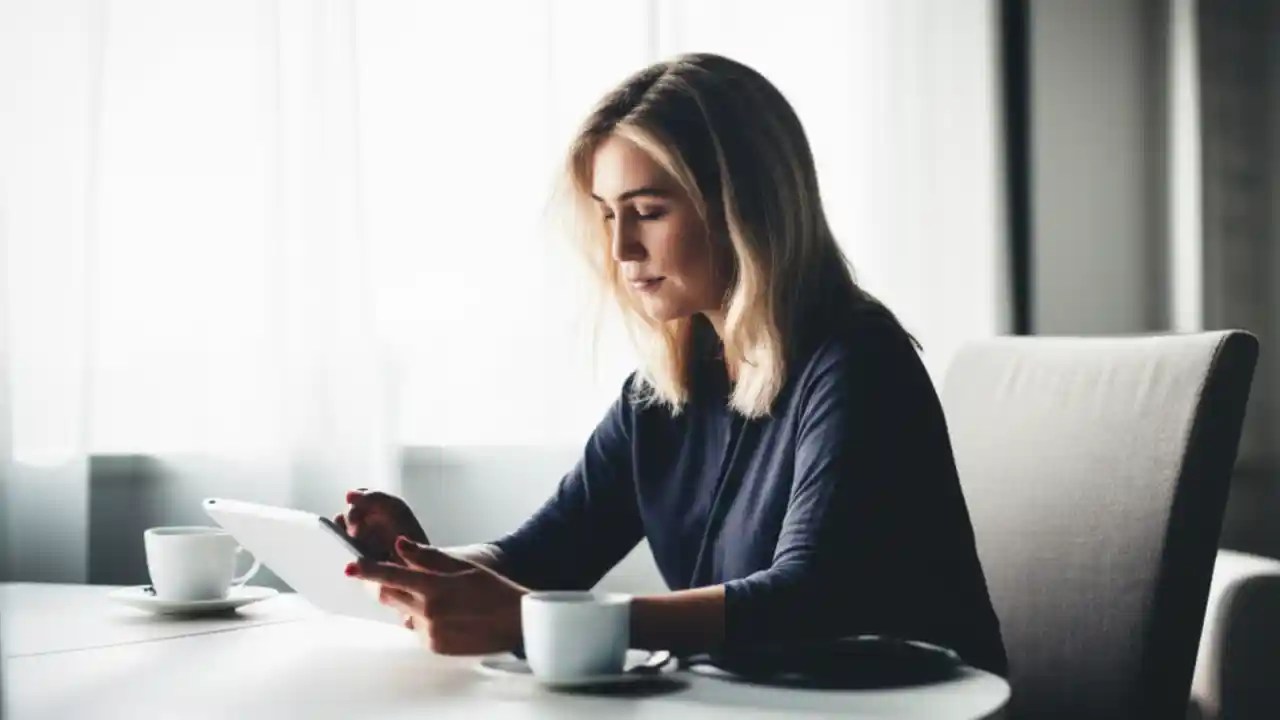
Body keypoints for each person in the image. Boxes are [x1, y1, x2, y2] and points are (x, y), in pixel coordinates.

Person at [338, 52, 1007, 675]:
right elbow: (543, 558)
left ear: (744, 205)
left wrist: (548, 622)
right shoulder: (664, 393)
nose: (623, 248)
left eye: (649, 212)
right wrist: (415, 566)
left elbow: (808, 603)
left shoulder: (859, 362)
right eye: (607, 215)